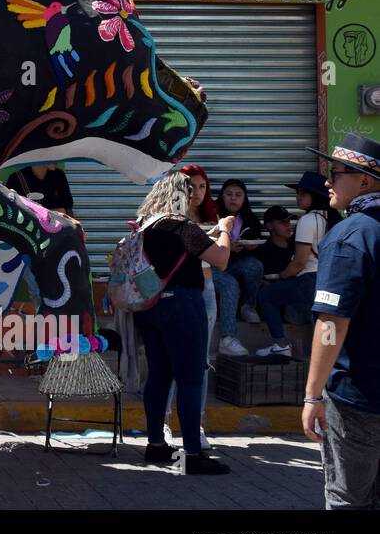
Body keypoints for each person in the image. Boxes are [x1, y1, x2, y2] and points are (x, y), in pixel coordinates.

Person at [134, 170, 235, 475]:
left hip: (150, 307)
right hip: (183, 304)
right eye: (189, 191)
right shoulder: (181, 225)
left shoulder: (145, 225)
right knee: (190, 378)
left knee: (159, 375)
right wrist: (227, 229)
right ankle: (191, 455)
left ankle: (156, 446)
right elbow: (221, 259)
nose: (194, 195)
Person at [301, 134, 380, 509]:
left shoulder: (351, 236)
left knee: (348, 498)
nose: (327, 182)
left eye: (335, 173)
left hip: (360, 398)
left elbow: (332, 323)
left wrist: (313, 394)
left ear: (364, 181)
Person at [255, 172, 340, 357]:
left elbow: (299, 262)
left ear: (315, 196)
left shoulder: (308, 220)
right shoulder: (334, 218)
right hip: (331, 283)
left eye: (303, 193)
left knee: (266, 295)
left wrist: (279, 277)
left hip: (310, 281)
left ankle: (281, 344)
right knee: (324, 328)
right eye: (298, 193)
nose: (298, 197)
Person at [211, 178, 266, 357]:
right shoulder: (211, 215)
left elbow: (257, 245)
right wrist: (226, 245)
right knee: (229, 283)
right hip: (212, 267)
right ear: (222, 196)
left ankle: (248, 306)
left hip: (233, 264)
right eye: (229, 194)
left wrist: (249, 248)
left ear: (244, 198)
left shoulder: (250, 220)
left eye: (238, 195)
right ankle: (227, 337)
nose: (233, 199)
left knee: (254, 265)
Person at [6, 163, 74, 216]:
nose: (56, 160)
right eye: (52, 155)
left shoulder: (59, 175)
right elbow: (9, 206)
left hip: (53, 226)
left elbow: (68, 203)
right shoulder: (16, 178)